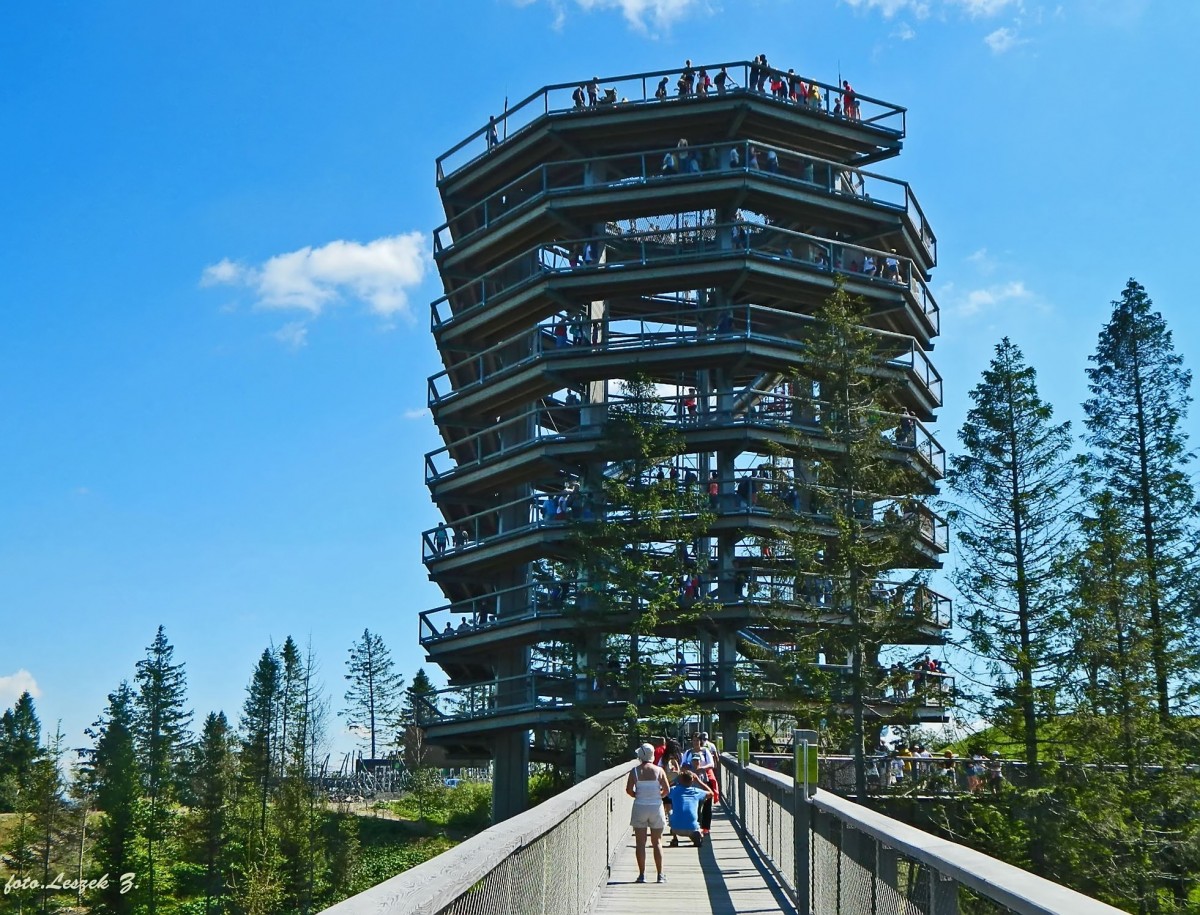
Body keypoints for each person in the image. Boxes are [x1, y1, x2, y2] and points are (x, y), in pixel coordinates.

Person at [625, 744, 671, 883]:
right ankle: (660, 875)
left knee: (640, 843)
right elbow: (667, 790)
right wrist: (657, 796)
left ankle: (642, 875)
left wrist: (638, 795)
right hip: (656, 807)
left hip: (640, 807)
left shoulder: (635, 771)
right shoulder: (659, 770)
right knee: (657, 842)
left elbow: (628, 790)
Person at [667, 770, 714, 847]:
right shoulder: (696, 791)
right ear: (692, 780)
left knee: (670, 811)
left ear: (680, 779)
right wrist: (698, 781)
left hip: (676, 828)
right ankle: (697, 834)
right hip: (692, 828)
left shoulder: (674, 790)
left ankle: (674, 838)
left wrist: (674, 781)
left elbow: (664, 790)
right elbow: (711, 793)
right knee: (694, 825)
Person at [682, 733, 719, 832]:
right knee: (693, 803)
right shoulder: (688, 752)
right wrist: (689, 767)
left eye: (697, 741)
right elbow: (682, 764)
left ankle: (706, 827)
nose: (695, 743)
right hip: (690, 780)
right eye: (693, 741)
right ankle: (694, 825)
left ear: (700, 741)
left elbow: (711, 764)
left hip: (703, 778)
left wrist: (701, 768)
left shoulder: (705, 751)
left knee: (706, 803)